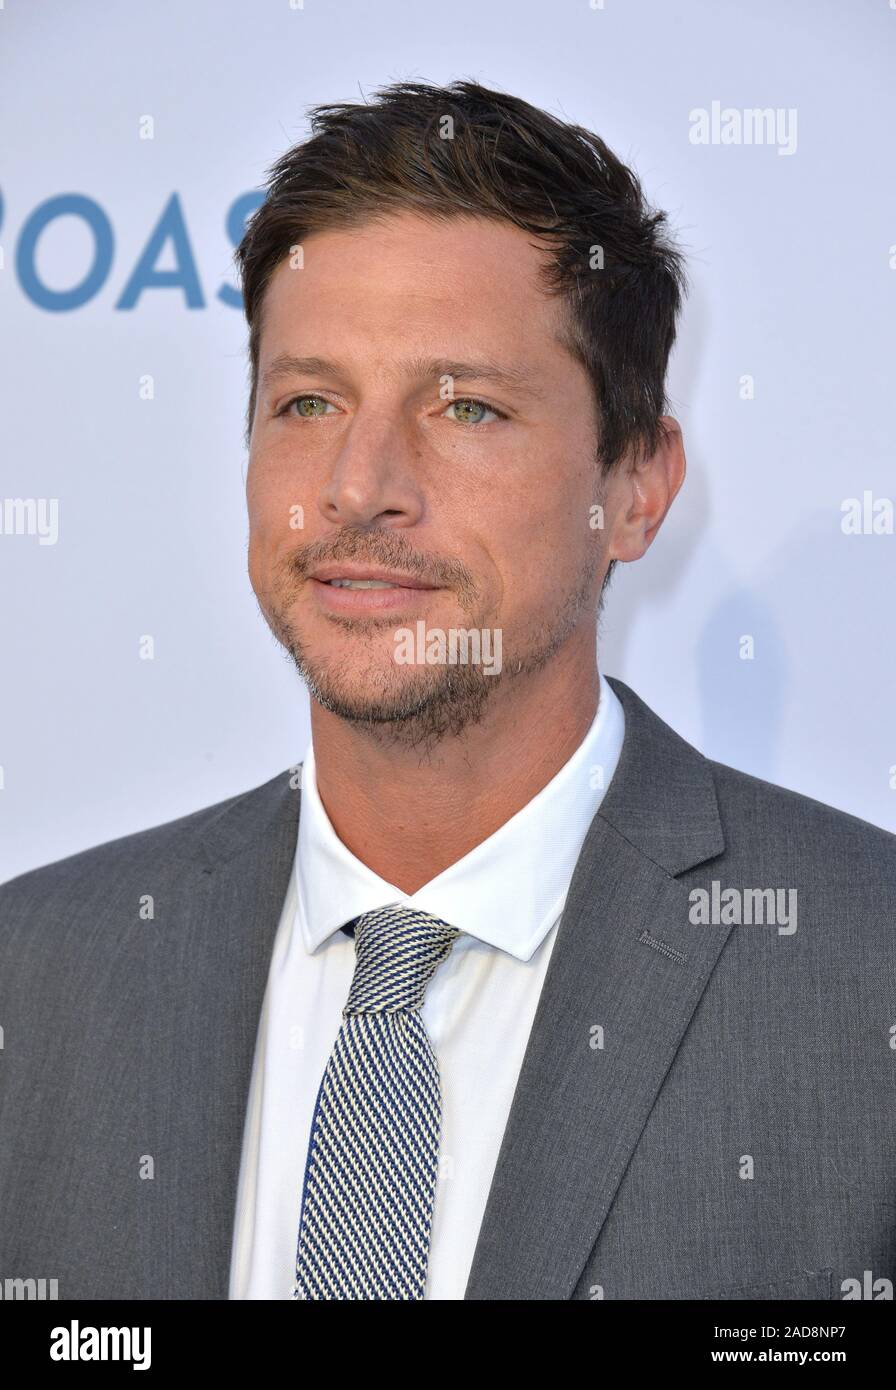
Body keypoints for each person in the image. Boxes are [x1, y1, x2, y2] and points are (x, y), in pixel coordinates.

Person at [1, 80, 893, 1303]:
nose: (361, 486)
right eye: (308, 403)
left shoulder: (864, 974)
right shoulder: (39, 977)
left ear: (634, 486)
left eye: (464, 406)